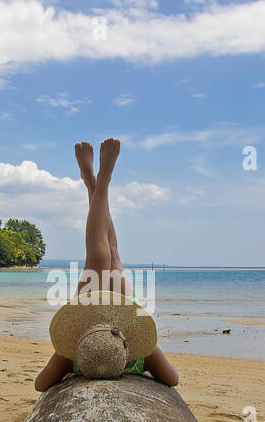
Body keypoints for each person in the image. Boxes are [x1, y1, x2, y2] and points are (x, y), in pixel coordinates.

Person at [35, 138, 178, 391]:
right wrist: (66, 358)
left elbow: (40, 384)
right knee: (111, 253)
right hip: (99, 320)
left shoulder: (76, 357)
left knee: (101, 257)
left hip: (98, 317)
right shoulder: (76, 359)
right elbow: (173, 380)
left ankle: (97, 182)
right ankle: (98, 181)